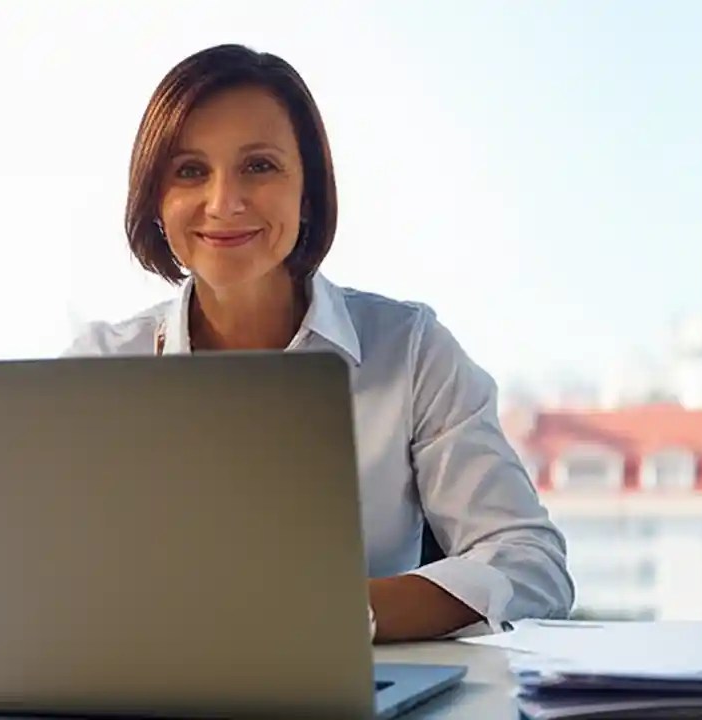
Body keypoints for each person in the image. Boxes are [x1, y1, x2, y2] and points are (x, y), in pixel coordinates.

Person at [65, 43, 573, 642]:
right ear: (156, 199)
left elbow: (530, 560)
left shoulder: (409, 351)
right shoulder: (100, 367)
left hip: (358, 691)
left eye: (259, 166)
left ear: (307, 194)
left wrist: (332, 616)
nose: (224, 202)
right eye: (190, 170)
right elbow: (36, 572)